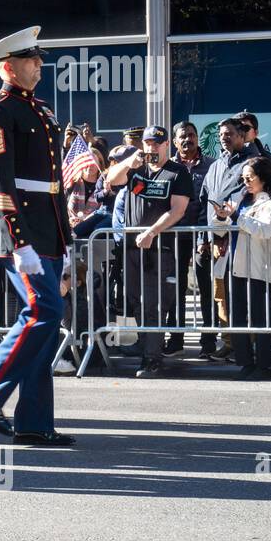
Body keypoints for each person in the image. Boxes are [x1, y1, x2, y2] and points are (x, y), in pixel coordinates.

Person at [0, 27, 73, 446]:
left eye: (39, 59)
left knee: (46, 325)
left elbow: (54, 183)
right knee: (43, 311)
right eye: (33, 60)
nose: (40, 66)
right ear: (9, 67)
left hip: (45, 227)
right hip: (21, 229)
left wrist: (62, 241)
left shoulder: (40, 110)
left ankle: (34, 422)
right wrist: (19, 241)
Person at [102, 126, 191, 379]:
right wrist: (130, 162)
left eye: (157, 143)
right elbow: (111, 180)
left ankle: (152, 358)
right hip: (131, 247)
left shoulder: (177, 172)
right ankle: (146, 345)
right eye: (148, 143)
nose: (152, 147)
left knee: (153, 303)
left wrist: (152, 232)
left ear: (166, 146)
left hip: (159, 248)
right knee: (135, 300)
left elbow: (178, 209)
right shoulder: (136, 170)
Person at [214, 157, 271, 380]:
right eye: (243, 177)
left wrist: (237, 216)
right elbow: (221, 227)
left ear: (263, 178)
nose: (245, 181)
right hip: (236, 265)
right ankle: (245, 362)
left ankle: (264, 364)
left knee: (260, 318)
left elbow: (265, 230)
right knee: (237, 317)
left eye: (250, 177)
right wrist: (221, 217)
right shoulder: (240, 199)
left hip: (261, 267)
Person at [201, 117, 261, 363]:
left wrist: (230, 229)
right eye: (221, 135)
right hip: (217, 241)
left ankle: (248, 345)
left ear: (242, 135)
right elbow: (205, 199)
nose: (224, 138)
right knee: (221, 295)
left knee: (243, 295)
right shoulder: (216, 165)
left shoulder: (252, 163)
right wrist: (206, 237)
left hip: (240, 239)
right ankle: (229, 342)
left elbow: (248, 197)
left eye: (229, 134)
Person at [169, 121, 215, 355]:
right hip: (174, 235)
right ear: (175, 142)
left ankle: (208, 343)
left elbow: (210, 202)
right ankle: (175, 341)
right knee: (174, 289)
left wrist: (205, 237)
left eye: (192, 135)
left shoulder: (211, 165)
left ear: (198, 138)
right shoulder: (167, 166)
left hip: (202, 236)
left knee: (206, 289)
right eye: (182, 137)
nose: (188, 139)